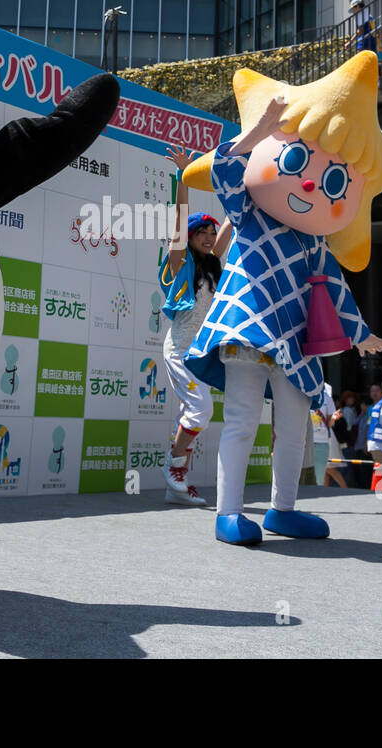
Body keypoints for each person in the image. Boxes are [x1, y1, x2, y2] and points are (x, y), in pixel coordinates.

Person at [180, 59, 382, 545]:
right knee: (243, 420)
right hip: (247, 329)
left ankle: (283, 509)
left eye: (333, 183)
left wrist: (359, 332)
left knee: (293, 428)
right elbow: (225, 170)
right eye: (295, 162)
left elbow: (336, 292)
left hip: (298, 343)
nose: (310, 184)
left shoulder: (317, 245)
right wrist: (259, 132)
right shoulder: (249, 216)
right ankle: (228, 513)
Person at [159, 149, 232, 508]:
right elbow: (179, 220)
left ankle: (177, 484)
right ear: (187, 237)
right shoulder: (178, 262)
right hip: (179, 349)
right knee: (201, 410)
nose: (207, 236)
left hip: (200, 353)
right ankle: (173, 468)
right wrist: (183, 178)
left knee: (193, 414)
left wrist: (249, 193)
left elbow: (233, 222)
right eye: (200, 232)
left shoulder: (214, 268)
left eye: (210, 232)